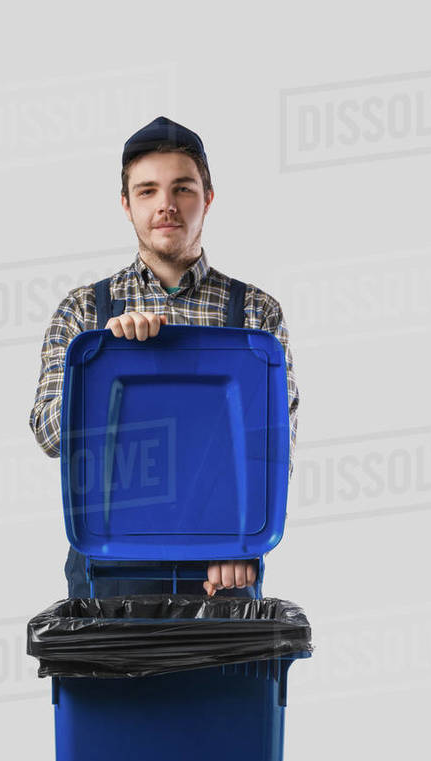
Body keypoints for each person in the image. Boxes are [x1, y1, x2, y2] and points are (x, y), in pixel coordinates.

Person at [30, 115, 300, 600]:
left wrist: (240, 544)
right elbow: (50, 436)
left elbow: (273, 449)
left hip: (222, 569)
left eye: (182, 189)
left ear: (208, 198)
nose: (166, 205)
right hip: (108, 571)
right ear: (126, 204)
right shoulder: (84, 311)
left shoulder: (256, 312)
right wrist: (104, 362)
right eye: (148, 190)